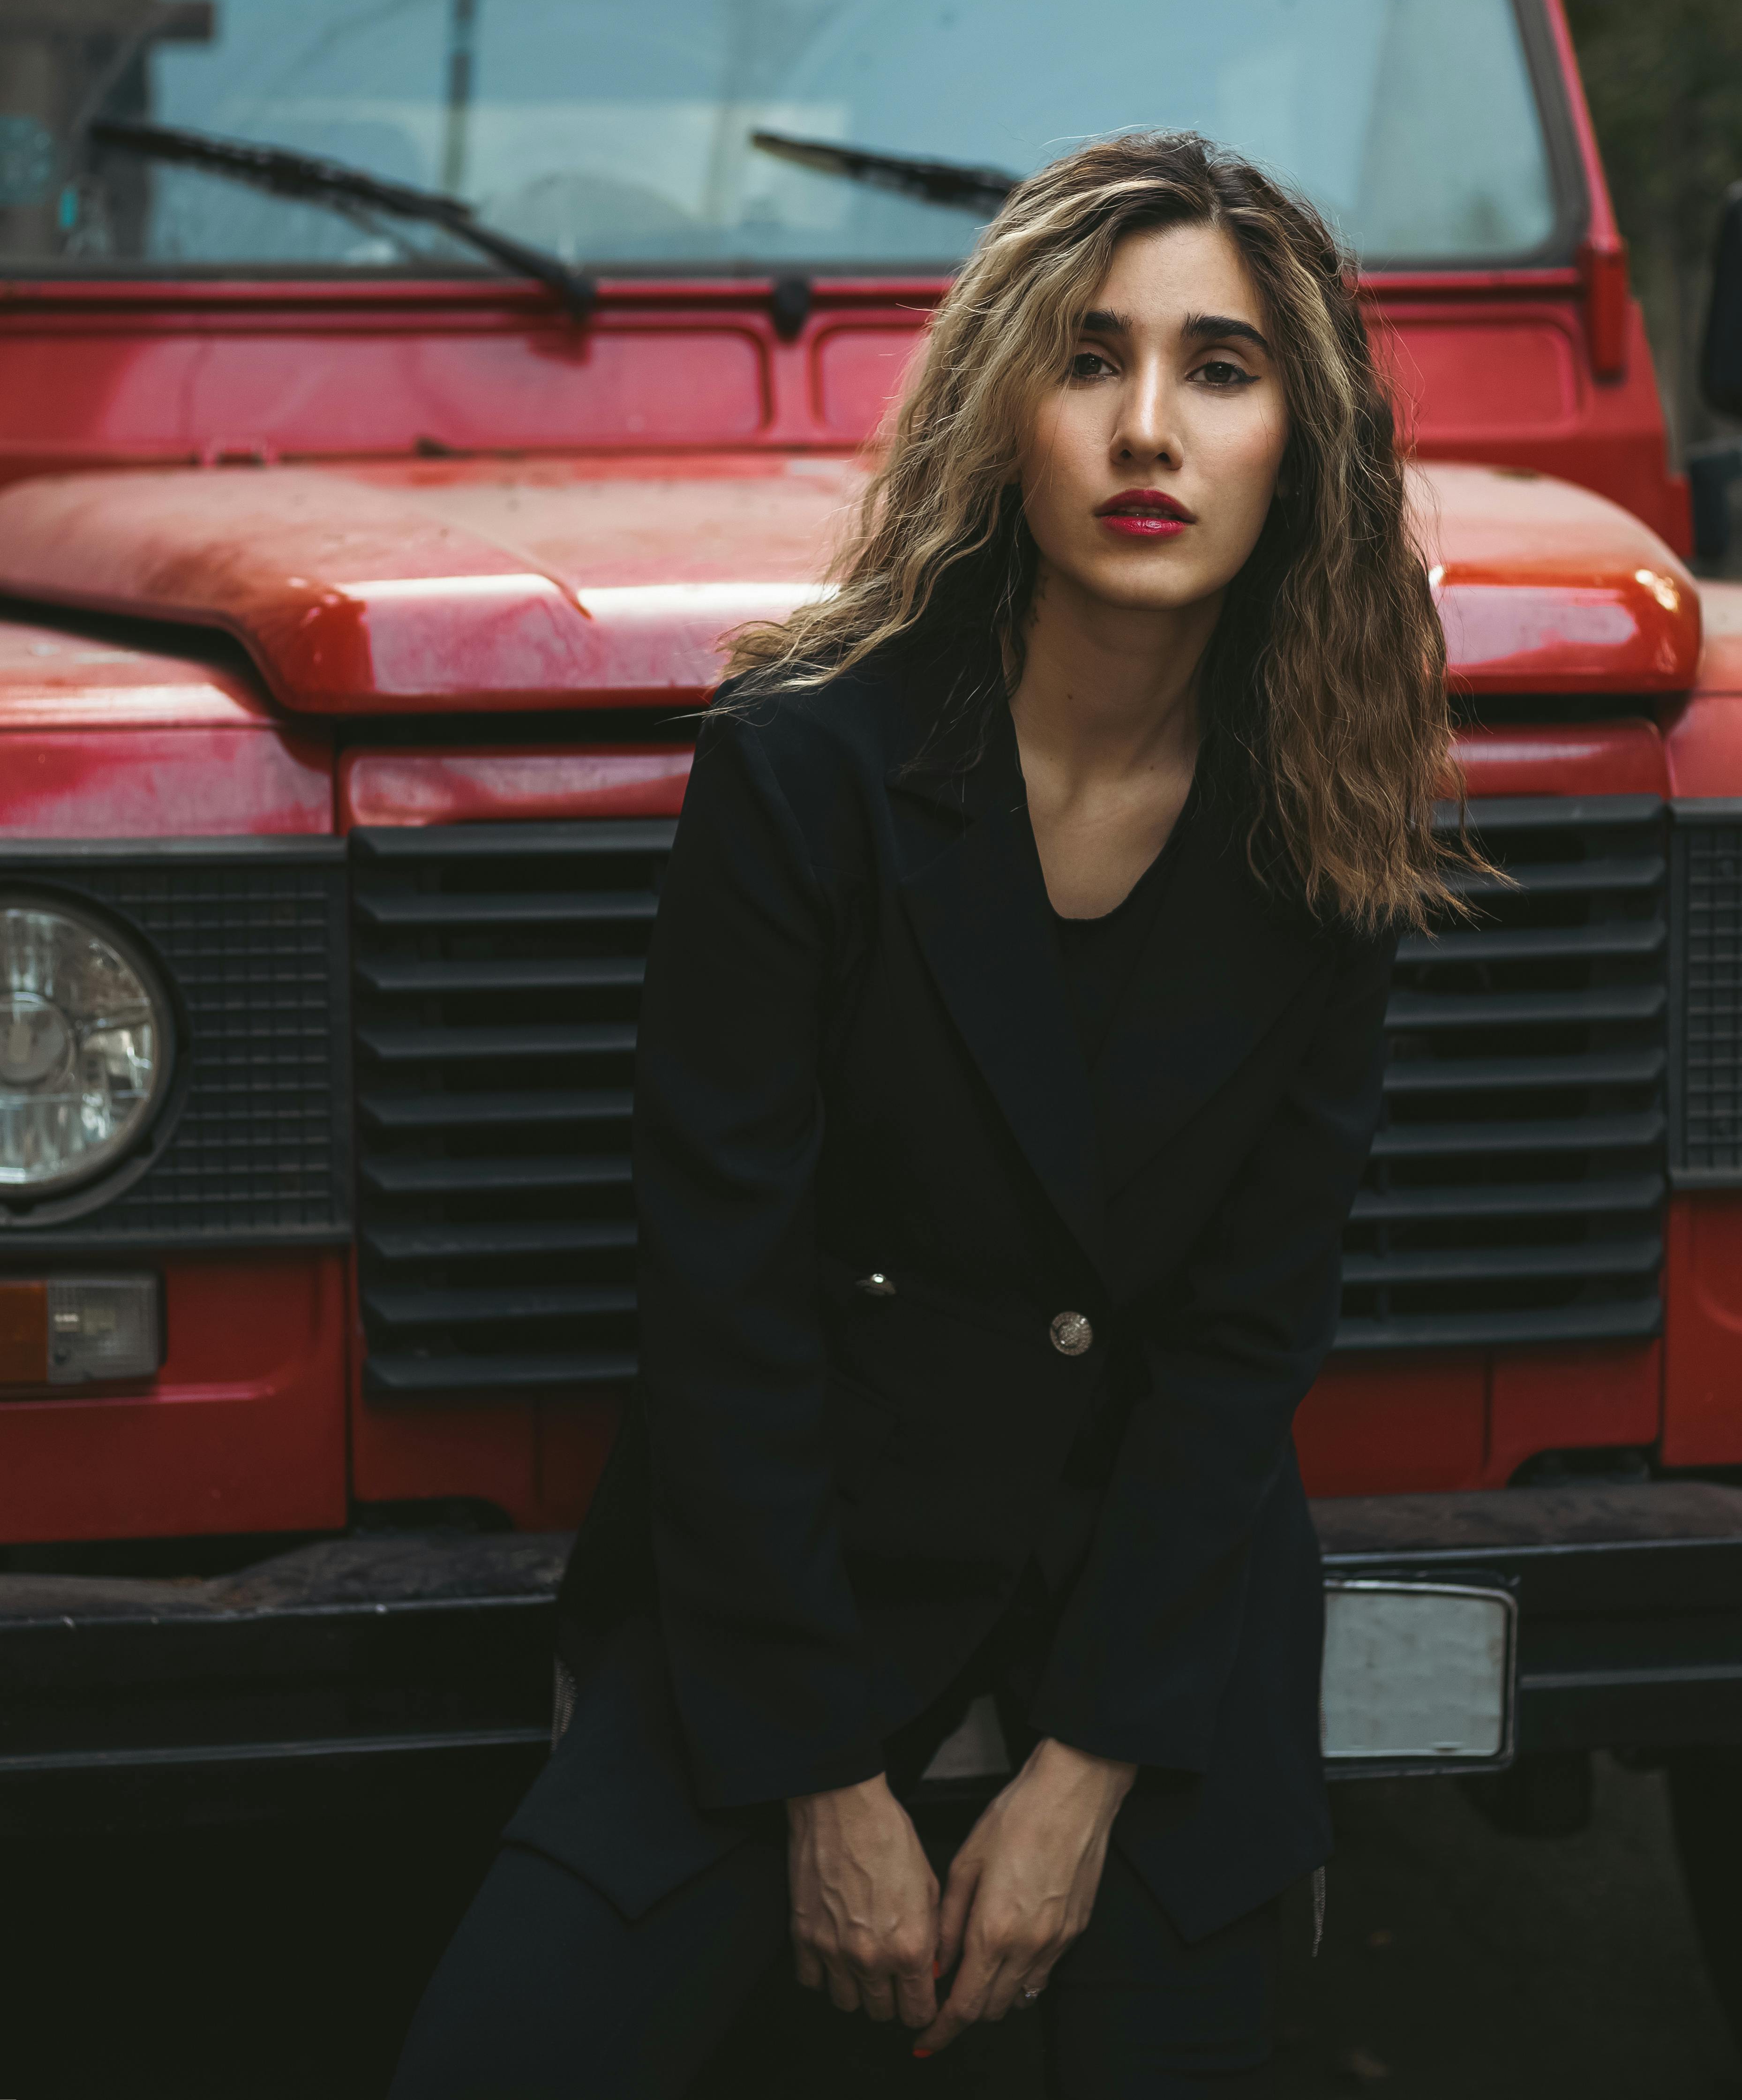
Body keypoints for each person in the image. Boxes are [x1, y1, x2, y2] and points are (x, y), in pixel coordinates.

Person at [390, 130, 1462, 2099]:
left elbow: (1240, 1342)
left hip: (1149, 1593)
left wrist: (1082, 1771)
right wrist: (819, 1774)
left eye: (1218, 368)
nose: (1150, 425)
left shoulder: (1328, 829)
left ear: (1302, 438)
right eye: (1086, 358)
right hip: (810, 1567)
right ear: (1001, 411)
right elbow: (722, 1305)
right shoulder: (807, 774)